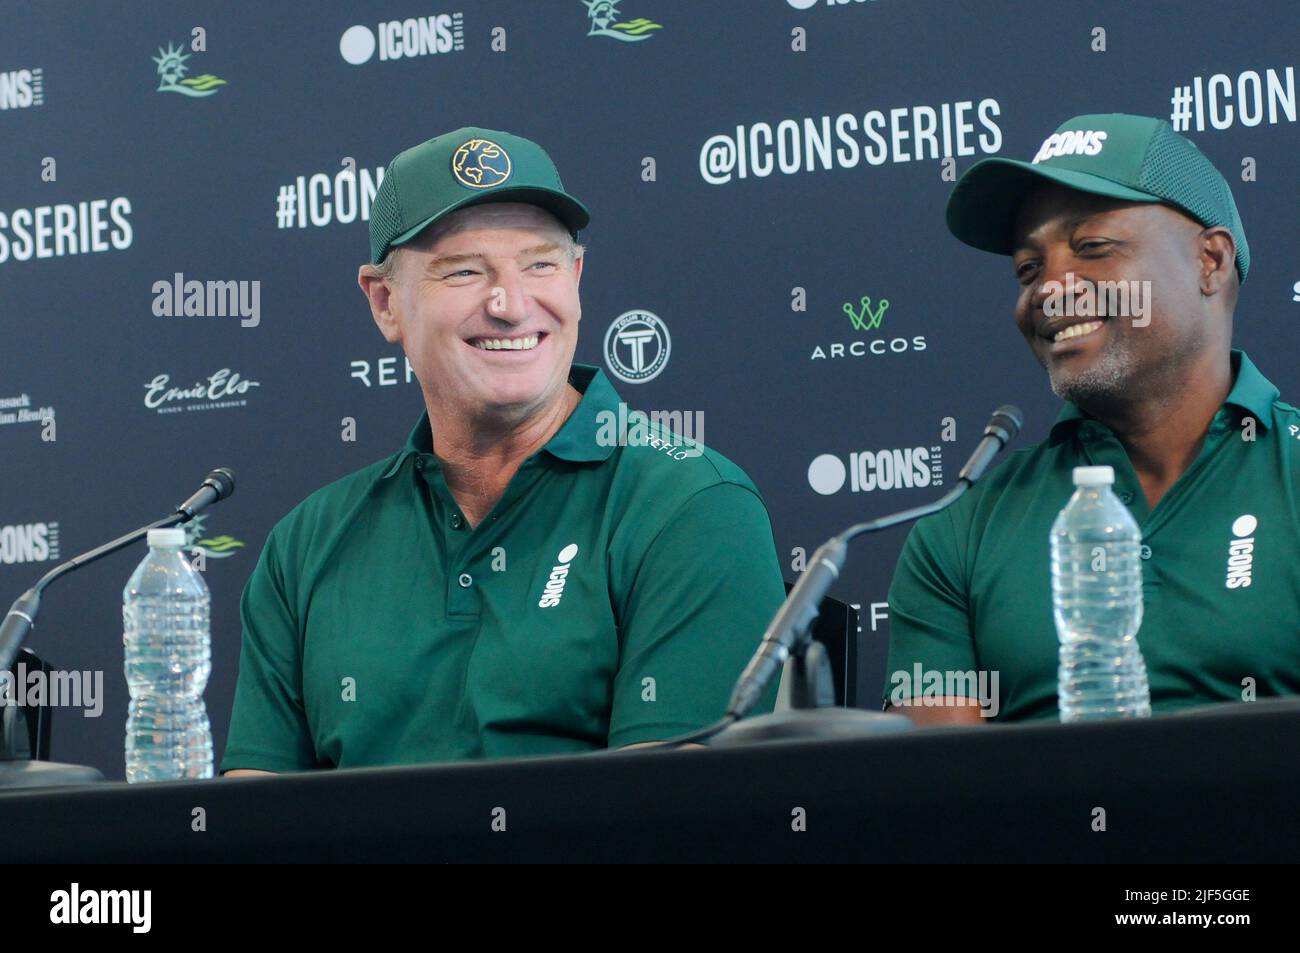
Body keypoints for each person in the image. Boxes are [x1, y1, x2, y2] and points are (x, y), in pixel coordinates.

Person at [221, 127, 784, 773]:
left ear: (575, 277)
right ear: (384, 303)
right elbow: (252, 816)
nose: (511, 305)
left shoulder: (692, 505)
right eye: (463, 270)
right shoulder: (306, 543)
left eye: (540, 264)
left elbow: (668, 819)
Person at [884, 113, 1300, 725]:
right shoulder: (958, 530)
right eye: (1029, 269)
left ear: (1210, 261)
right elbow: (943, 800)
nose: (1050, 289)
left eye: (1092, 248)